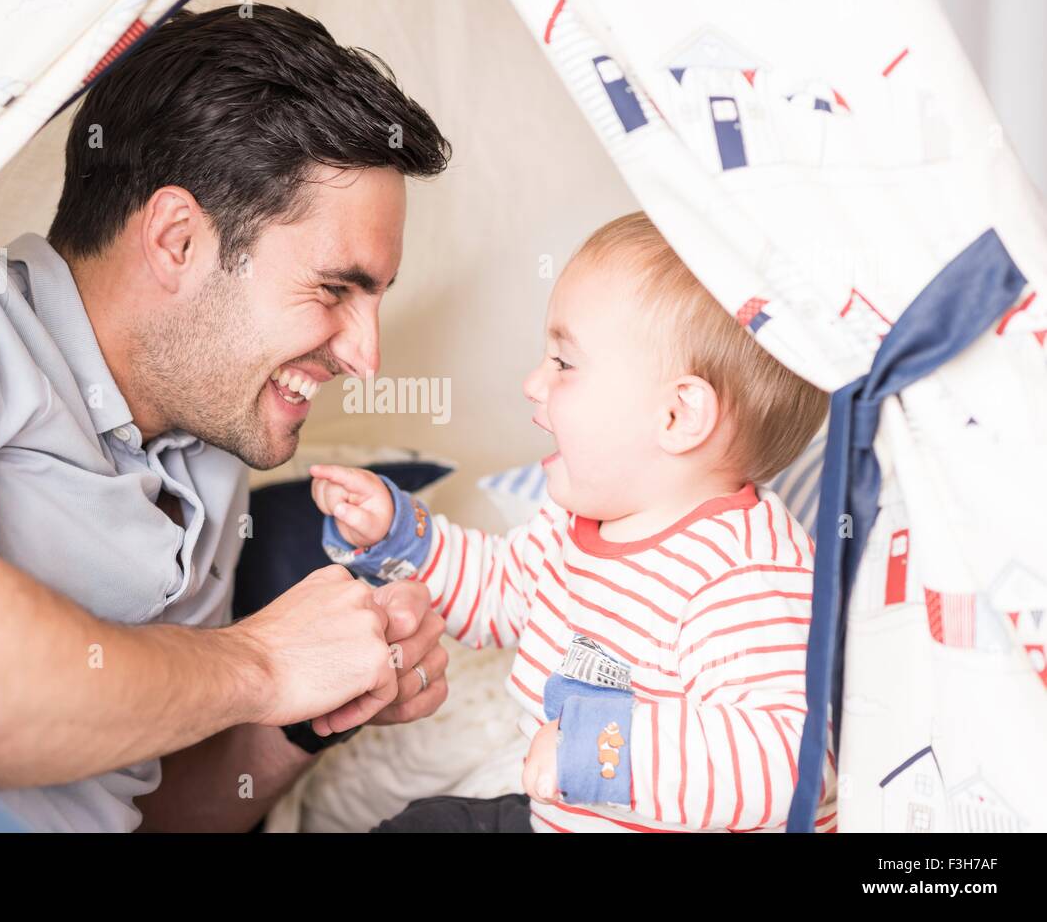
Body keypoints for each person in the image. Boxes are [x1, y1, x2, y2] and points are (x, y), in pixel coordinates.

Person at [0, 4, 452, 832]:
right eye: (336, 289)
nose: (367, 358)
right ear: (179, 240)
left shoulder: (209, 457)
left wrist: (305, 708)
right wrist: (262, 660)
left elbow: (141, 810)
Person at [311, 212, 839, 832]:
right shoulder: (574, 520)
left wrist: (600, 751)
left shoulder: (747, 573)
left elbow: (789, 762)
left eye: (564, 363)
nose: (534, 384)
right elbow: (500, 589)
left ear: (677, 415)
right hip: (560, 820)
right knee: (423, 825)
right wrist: (402, 537)